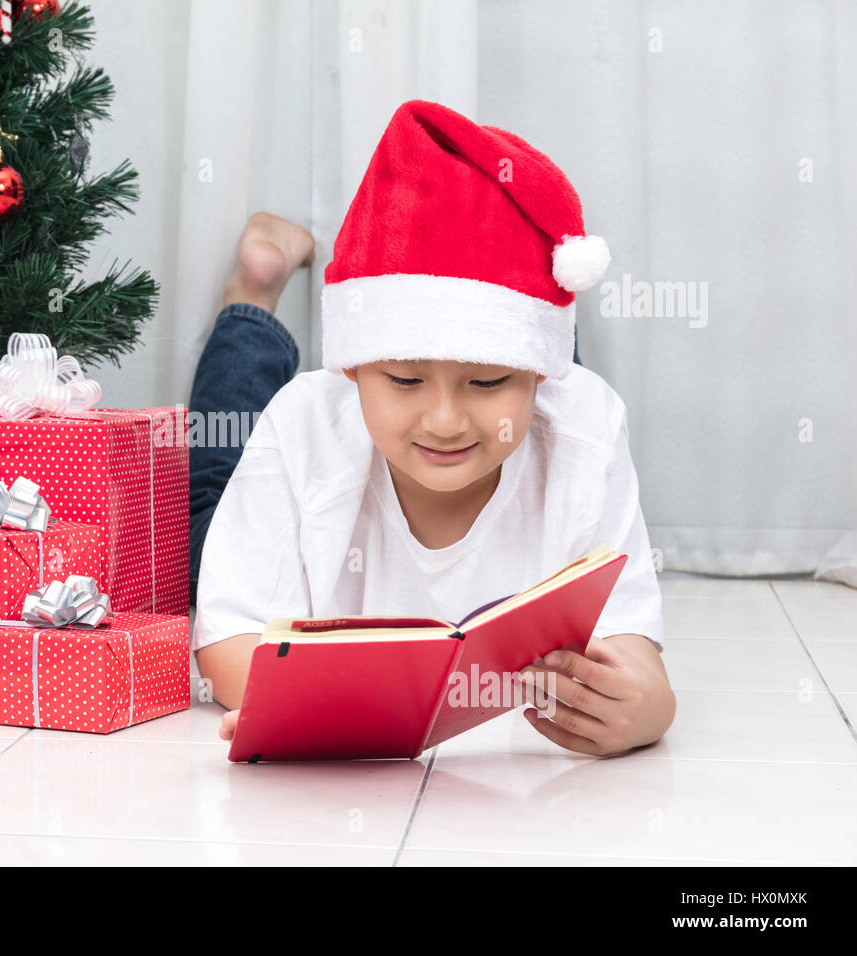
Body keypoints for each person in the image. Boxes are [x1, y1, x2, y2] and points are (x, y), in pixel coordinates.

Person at [188, 100, 674, 758]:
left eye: (486, 382)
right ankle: (253, 295)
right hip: (327, 433)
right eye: (407, 381)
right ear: (355, 368)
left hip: (531, 405)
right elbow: (228, 639)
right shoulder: (309, 422)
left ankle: (504, 336)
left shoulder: (582, 428)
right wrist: (340, 707)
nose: (444, 422)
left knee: (515, 377)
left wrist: (645, 704)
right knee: (213, 491)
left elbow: (632, 647)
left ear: (540, 378)